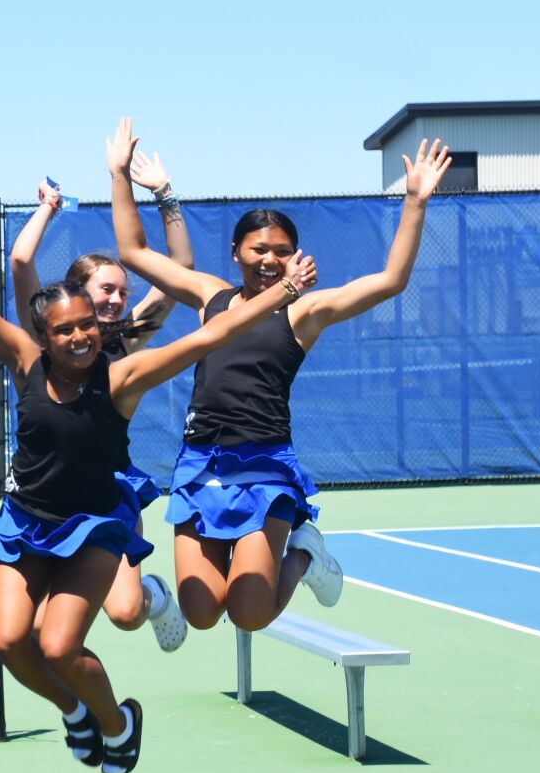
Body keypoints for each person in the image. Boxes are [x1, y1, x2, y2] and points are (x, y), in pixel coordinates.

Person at [0, 176, 316, 773]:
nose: (78, 337)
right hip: (26, 522)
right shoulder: (24, 360)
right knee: (12, 643)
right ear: (44, 334)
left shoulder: (121, 378)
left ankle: (117, 723)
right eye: (64, 330)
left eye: (87, 326)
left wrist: (280, 296)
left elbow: (213, 332)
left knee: (58, 645)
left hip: (94, 526)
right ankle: (76, 713)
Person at [107, 119, 453, 632]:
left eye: (281, 251)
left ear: (296, 256)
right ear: (236, 254)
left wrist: (416, 202)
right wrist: (120, 174)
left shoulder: (303, 312)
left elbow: (390, 281)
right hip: (201, 462)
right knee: (202, 614)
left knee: (249, 616)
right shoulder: (211, 296)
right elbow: (134, 253)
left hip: (266, 466)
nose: (269, 260)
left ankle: (305, 554)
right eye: (258, 250)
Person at [7, 156, 194, 652]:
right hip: (46, 494)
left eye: (122, 291)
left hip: (106, 488)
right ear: (76, 295)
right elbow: (21, 263)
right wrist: (46, 208)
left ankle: (153, 595)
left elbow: (181, 272)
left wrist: (164, 192)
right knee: (31, 633)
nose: (115, 300)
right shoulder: (43, 336)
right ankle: (83, 708)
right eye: (106, 289)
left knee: (127, 613)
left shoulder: (127, 340)